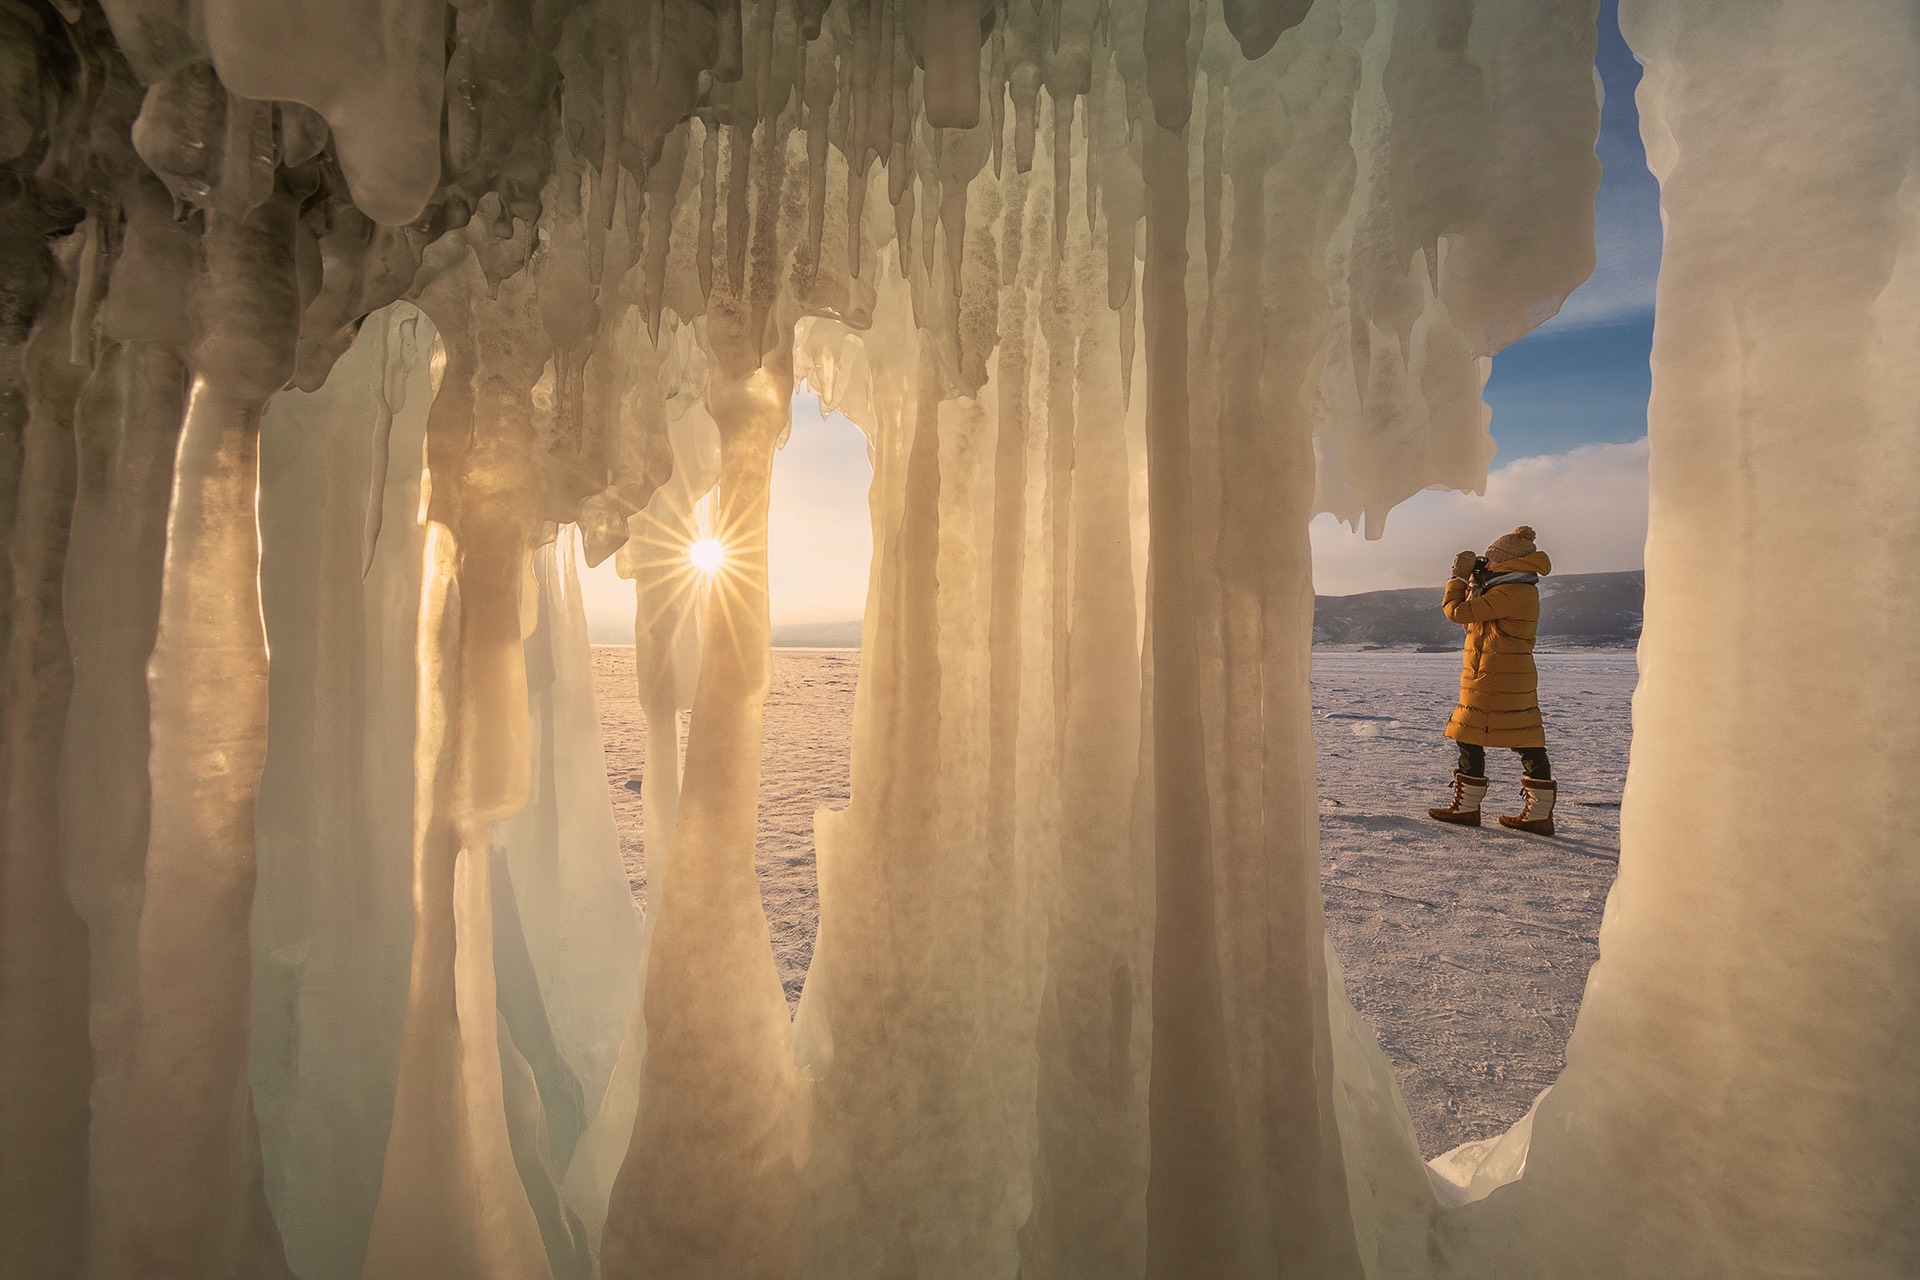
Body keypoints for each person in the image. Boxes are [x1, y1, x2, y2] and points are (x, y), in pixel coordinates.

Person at [1427, 525, 1557, 835]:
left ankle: (1468, 808)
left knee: (1474, 735)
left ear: (1508, 562)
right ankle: (1535, 813)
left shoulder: (1510, 593)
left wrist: (1458, 578)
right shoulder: (1512, 588)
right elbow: (1476, 618)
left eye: (1491, 559)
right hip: (1500, 675)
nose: (1487, 564)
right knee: (1524, 740)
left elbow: (1457, 612)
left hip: (1495, 678)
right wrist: (1477, 581)